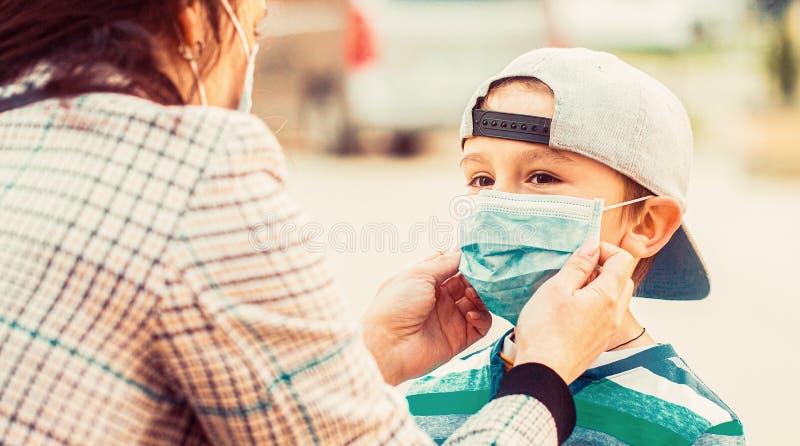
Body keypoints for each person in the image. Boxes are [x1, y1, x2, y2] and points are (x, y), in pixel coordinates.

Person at [0, 1, 638, 445]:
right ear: (195, 17)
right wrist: (545, 375)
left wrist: (369, 359)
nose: (251, 48)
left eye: (543, 178)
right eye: (255, 21)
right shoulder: (192, 168)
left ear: (649, 224)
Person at [404, 48, 745, 445]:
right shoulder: (420, 395)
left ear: (648, 224)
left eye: (543, 177)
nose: (499, 205)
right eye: (482, 179)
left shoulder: (692, 429)